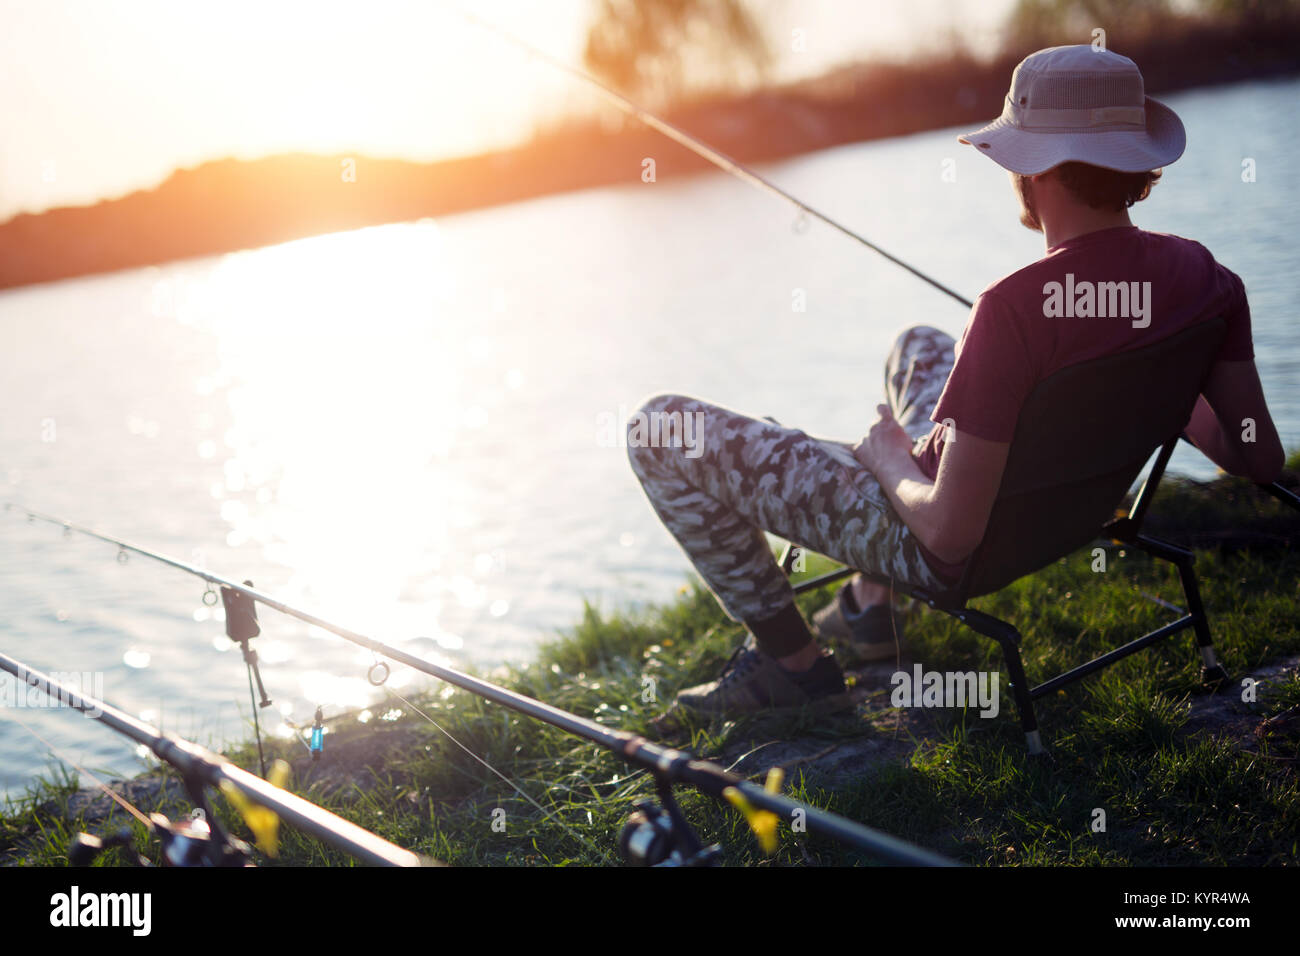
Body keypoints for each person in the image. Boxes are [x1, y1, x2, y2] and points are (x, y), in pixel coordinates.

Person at [626, 44, 1285, 726]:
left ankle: (794, 667)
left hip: (947, 543)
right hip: (1068, 515)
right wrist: (1155, 384)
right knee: (918, 344)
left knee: (656, 429)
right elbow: (1257, 456)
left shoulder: (1011, 309)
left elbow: (948, 535)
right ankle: (870, 608)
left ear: (1037, 172)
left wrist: (886, 460)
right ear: (1137, 164)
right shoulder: (1207, 278)